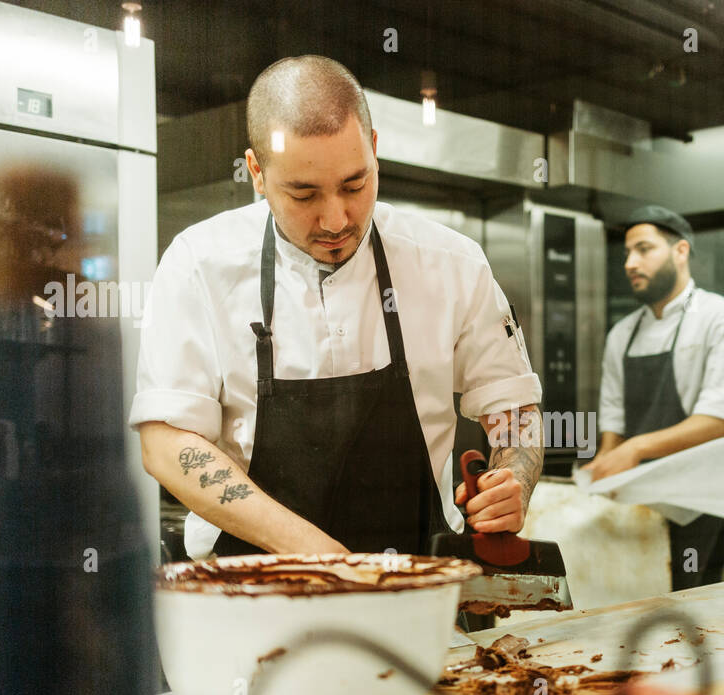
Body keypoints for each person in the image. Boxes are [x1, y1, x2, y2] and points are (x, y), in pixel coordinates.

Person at [129, 56, 542, 559]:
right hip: (249, 585)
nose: (335, 220)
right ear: (256, 172)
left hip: (416, 579)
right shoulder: (199, 264)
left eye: (354, 185)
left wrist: (514, 478)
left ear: (374, 150)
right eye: (304, 194)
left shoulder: (451, 263)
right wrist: (317, 553)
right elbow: (167, 442)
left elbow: (512, 407)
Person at [583, 205, 724, 590]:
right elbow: (614, 420)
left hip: (706, 502)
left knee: (692, 601)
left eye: (644, 249)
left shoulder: (722, 319)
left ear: (681, 251)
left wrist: (635, 449)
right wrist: (604, 464)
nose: (630, 263)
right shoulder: (622, 334)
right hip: (642, 503)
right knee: (635, 597)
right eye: (627, 253)